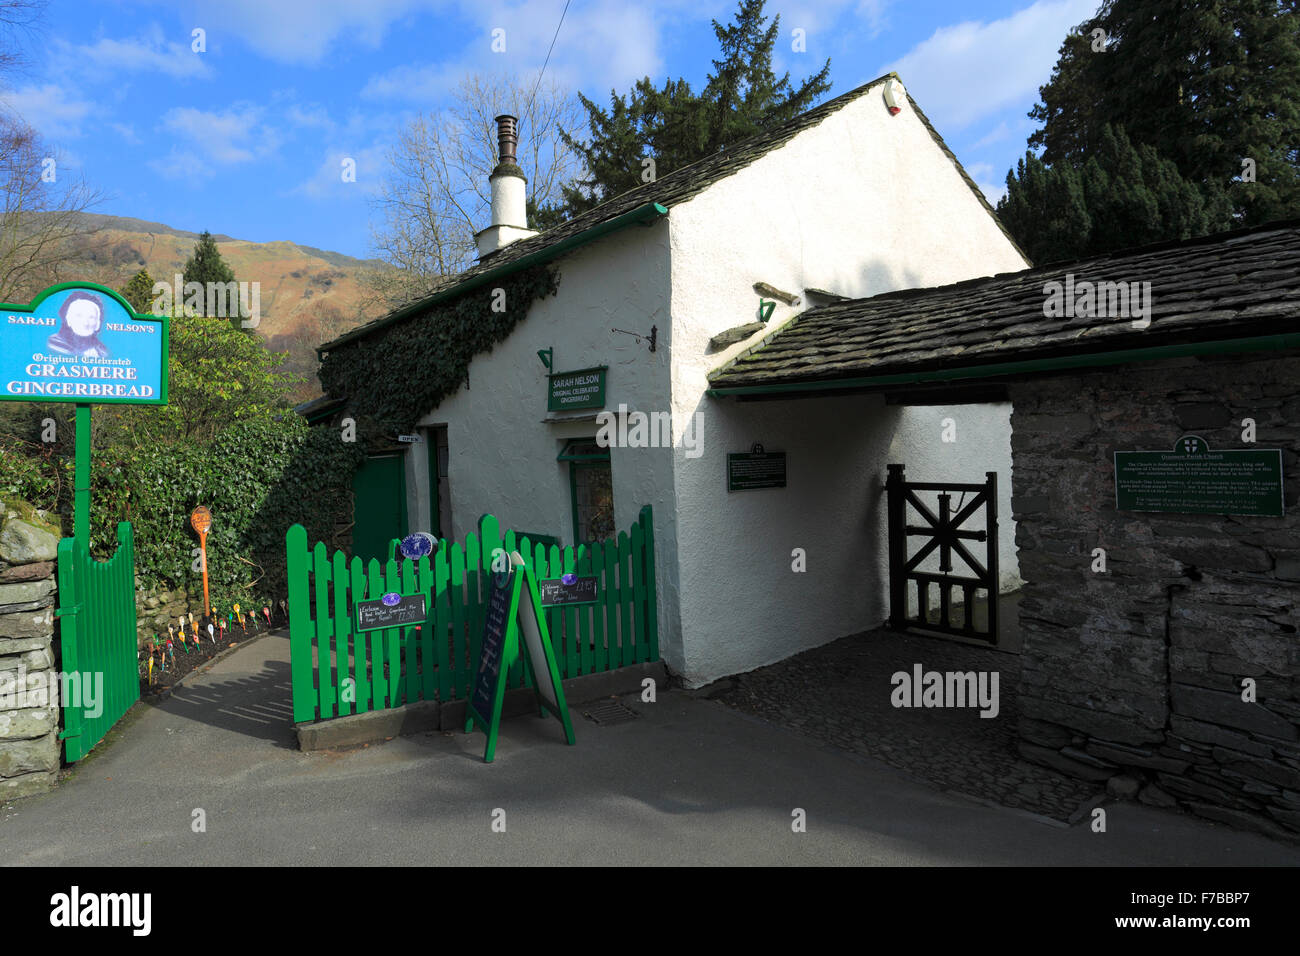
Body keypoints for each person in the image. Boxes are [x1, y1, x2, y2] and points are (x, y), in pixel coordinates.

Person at [46, 291, 111, 358]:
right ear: (68, 319)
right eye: (79, 316)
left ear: (98, 324)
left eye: (91, 317)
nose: (85, 323)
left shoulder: (103, 352)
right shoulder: (53, 345)